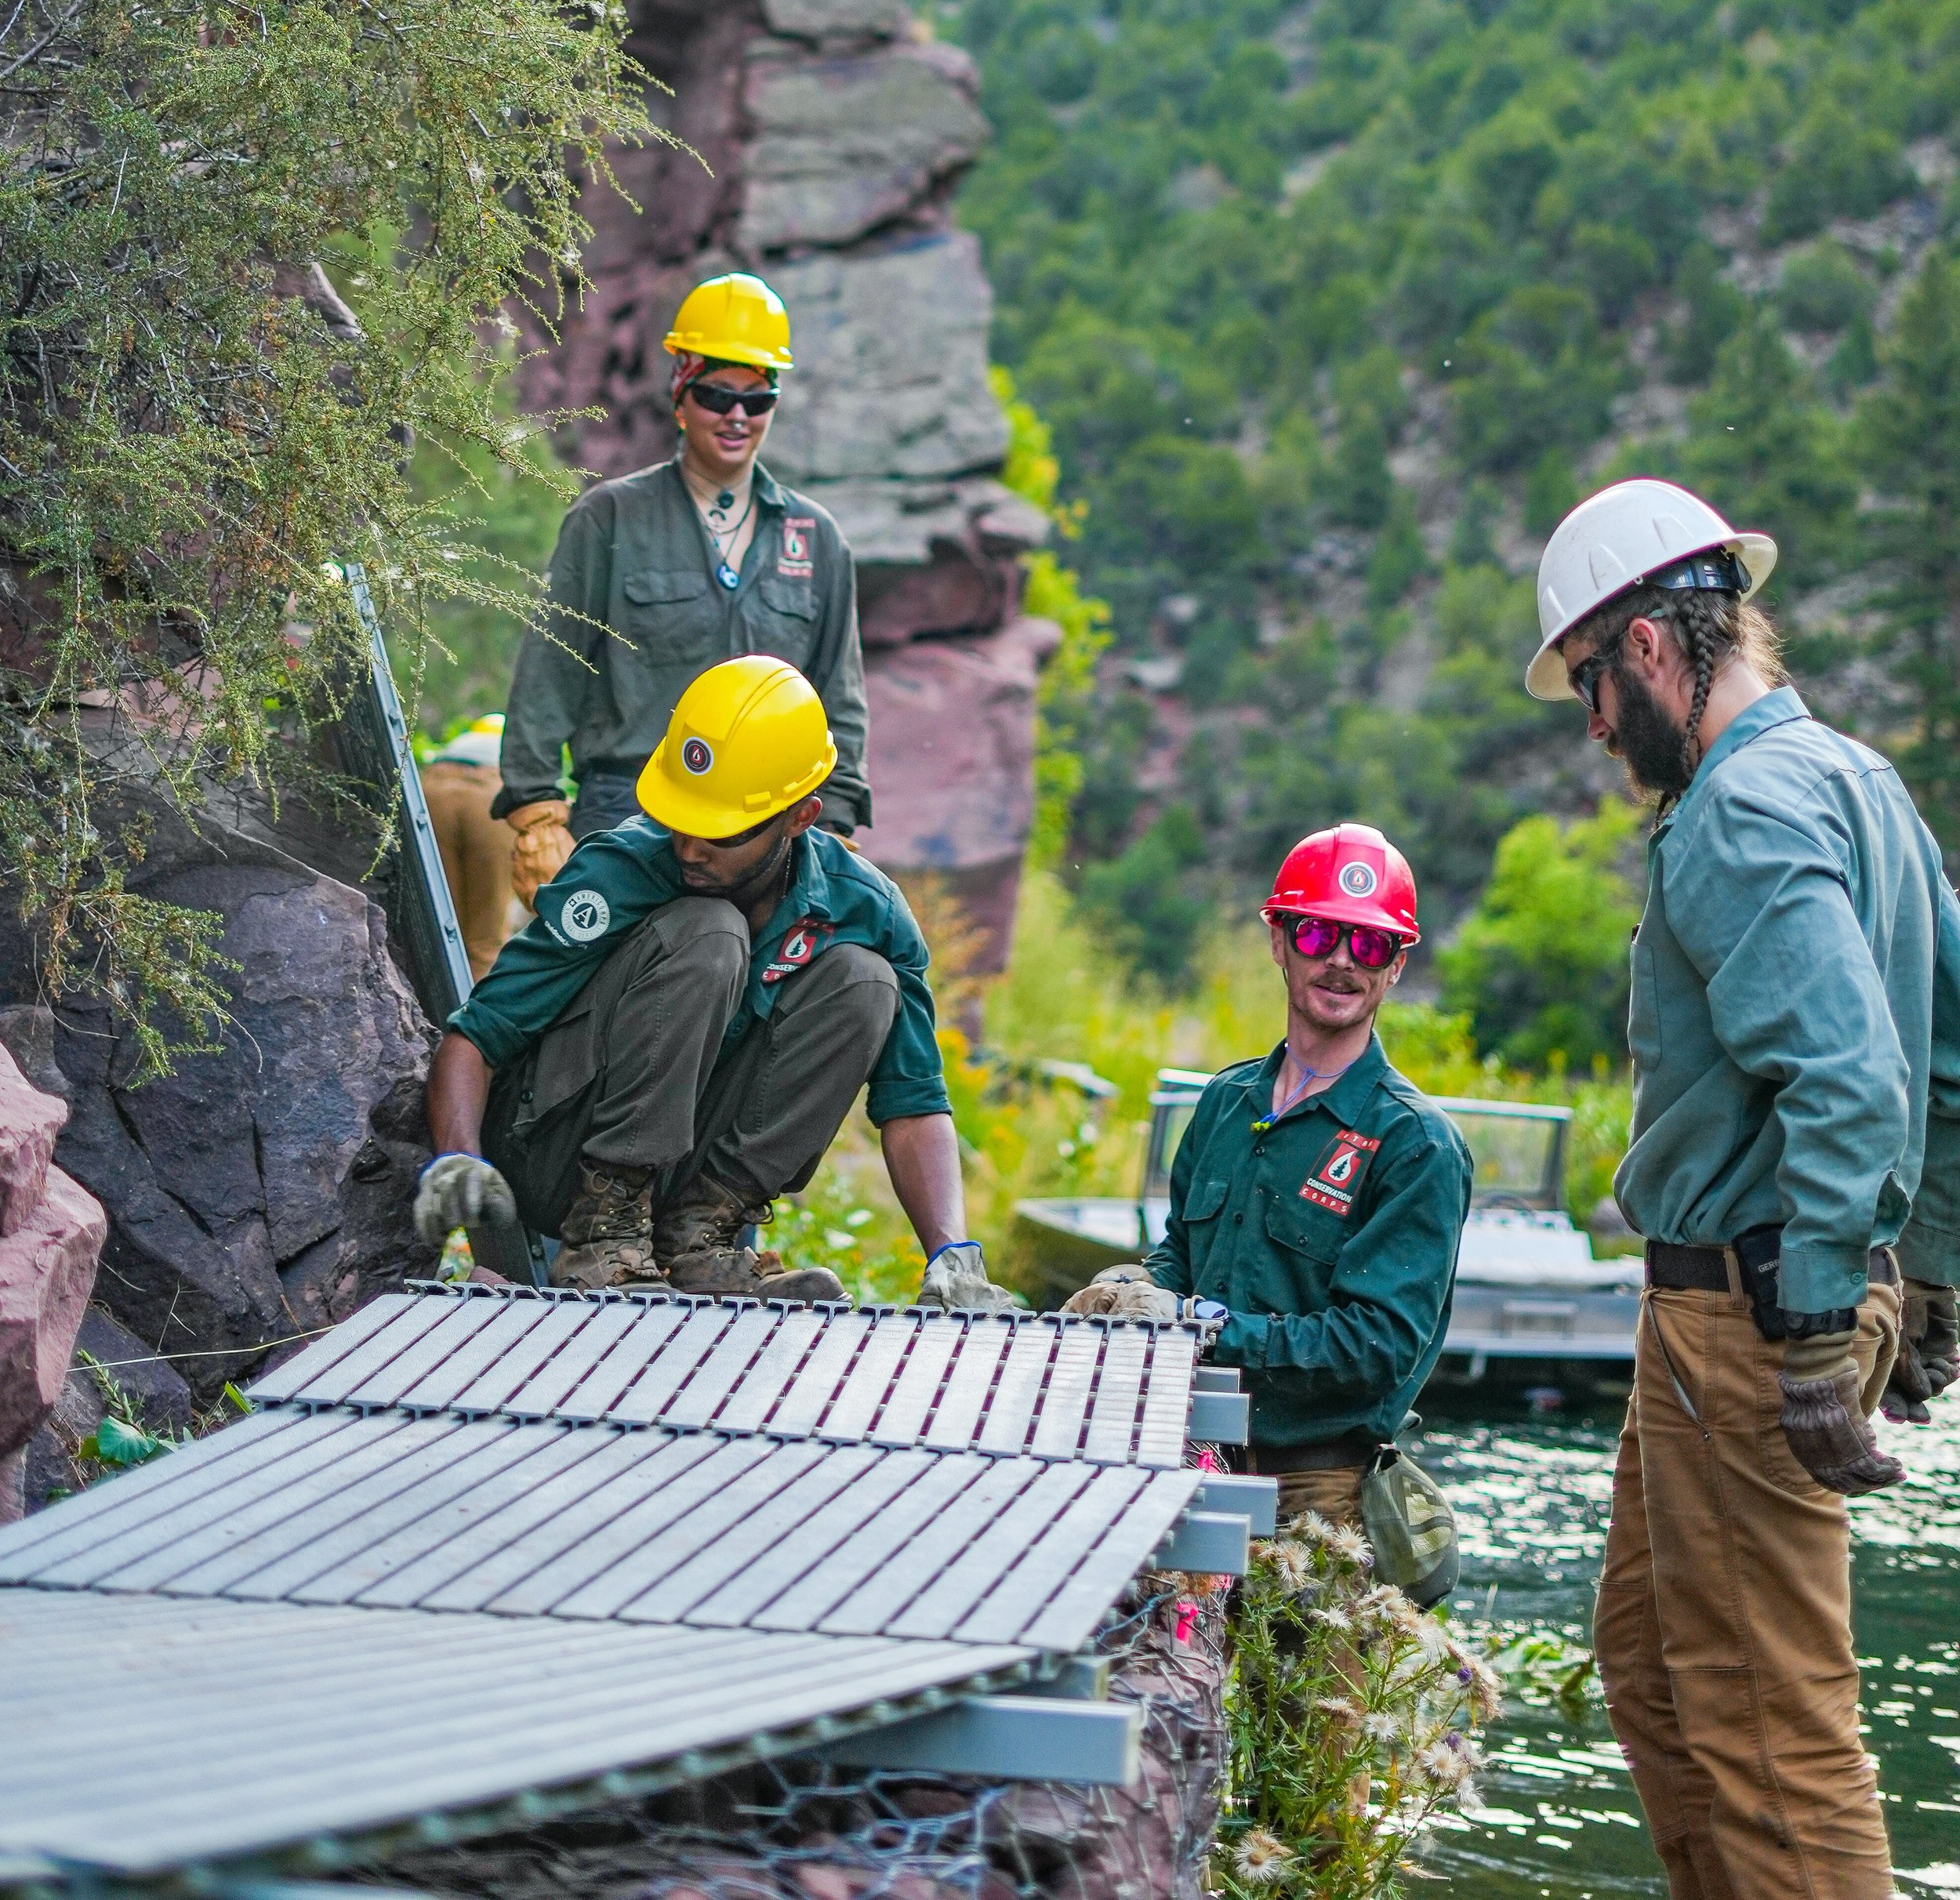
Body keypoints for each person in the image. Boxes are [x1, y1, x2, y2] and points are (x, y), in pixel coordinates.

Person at [1530, 477, 1960, 1900]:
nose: (1594, 726)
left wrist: (1835, 1307)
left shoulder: (1738, 814)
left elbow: (1851, 1078)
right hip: (1775, 1295)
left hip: (1759, 1306)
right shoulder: (1859, 781)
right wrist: (1936, 1271)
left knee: (1772, 1729)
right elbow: (1947, 1052)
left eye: (1592, 684)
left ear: (1652, 646)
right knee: (1652, 1669)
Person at [414, 656, 1011, 1314]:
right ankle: (605, 1237)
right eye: (682, 819)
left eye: (721, 831)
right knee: (709, 929)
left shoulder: (865, 910)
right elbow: (477, 1033)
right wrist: (458, 1163)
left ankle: (698, 1241)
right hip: (555, 1158)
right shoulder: (624, 867)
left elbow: (914, 1100)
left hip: (684, 1175)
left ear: (801, 817)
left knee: (864, 981)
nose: (692, 848)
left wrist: (952, 1252)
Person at [1063, 825, 1472, 1537]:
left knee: (1300, 1651)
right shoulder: (1227, 1102)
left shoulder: (1415, 1144)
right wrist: (1140, 1287)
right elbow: (1182, 1254)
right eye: (1319, 934)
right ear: (1278, 939)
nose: (1342, 961)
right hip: (1180, 1451)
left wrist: (1206, 1328)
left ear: (1396, 966)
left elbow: (1379, 1346)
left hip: (1317, 1491)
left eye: (1369, 944)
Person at [494, 272, 871, 907]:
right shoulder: (609, 518)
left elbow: (841, 694)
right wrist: (536, 811)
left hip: (766, 826)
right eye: (716, 394)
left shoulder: (817, 539)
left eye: (757, 399)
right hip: (630, 811)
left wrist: (831, 820)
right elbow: (551, 665)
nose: (736, 416)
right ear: (680, 394)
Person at [421, 713, 518, 981]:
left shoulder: (464, 741)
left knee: (440, 916)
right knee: (486, 940)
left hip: (435, 786)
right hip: (492, 790)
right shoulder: (515, 743)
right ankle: (471, 1015)